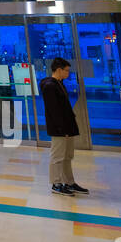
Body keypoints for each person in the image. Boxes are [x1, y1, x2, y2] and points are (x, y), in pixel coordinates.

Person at [39, 57, 86, 195]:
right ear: (58, 70)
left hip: (67, 126)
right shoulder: (50, 86)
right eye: (66, 70)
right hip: (59, 128)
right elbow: (54, 110)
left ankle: (69, 182)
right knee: (57, 156)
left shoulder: (60, 84)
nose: (68, 73)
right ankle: (56, 183)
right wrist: (61, 128)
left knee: (67, 156)